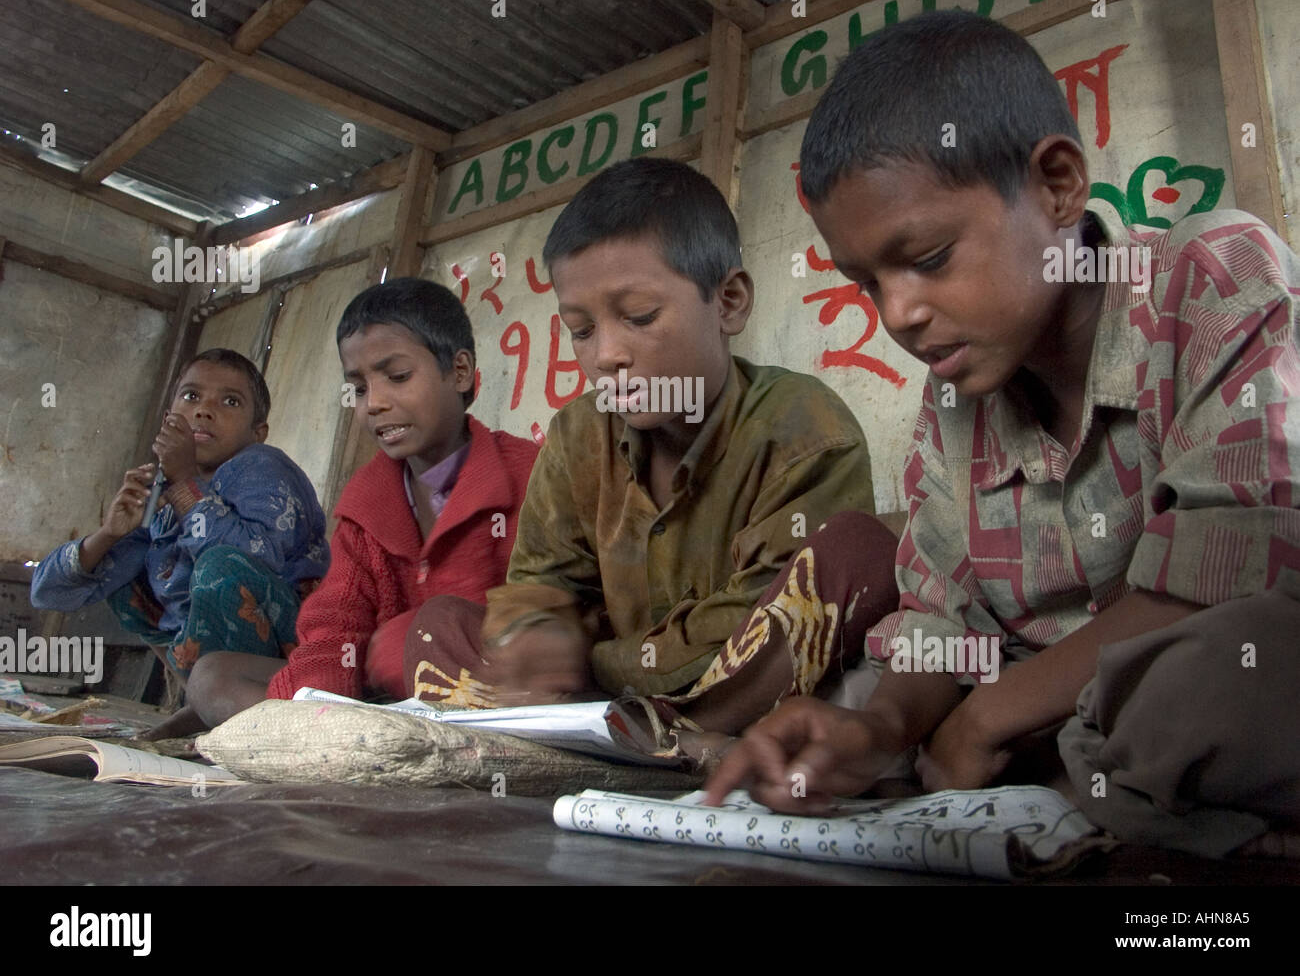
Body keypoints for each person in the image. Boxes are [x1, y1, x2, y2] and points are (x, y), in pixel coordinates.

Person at [705, 10, 1300, 855]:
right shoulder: (952, 405)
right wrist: (878, 727)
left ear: (1057, 185)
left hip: (1170, 675)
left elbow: (1225, 571)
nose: (899, 313)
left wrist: (989, 714)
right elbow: (943, 622)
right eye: (868, 282)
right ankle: (1080, 791)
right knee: (853, 693)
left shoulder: (1210, 277)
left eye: (930, 256)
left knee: (1234, 669)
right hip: (1051, 717)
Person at [414, 157, 898, 753]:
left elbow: (755, 619)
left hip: (731, 695)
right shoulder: (575, 437)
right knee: (435, 628)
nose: (607, 355)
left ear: (729, 302)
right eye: (582, 330)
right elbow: (542, 584)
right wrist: (538, 635)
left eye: (639, 317)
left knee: (857, 553)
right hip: (605, 699)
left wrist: (596, 664)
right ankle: (649, 745)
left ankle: (635, 741)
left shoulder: (805, 429)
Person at [185, 277, 538, 727]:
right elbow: (336, 626)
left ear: (461, 372)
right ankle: (334, 738)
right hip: (383, 705)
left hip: (498, 697)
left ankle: (332, 738)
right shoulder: (367, 506)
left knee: (420, 630)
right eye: (358, 388)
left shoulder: (527, 475)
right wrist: (320, 702)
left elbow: (542, 613)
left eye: (397, 377)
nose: (374, 403)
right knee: (211, 675)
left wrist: (401, 645)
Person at [31, 348, 329, 678]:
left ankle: (227, 692)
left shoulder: (262, 466)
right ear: (167, 419)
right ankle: (192, 696)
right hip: (203, 659)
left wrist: (185, 483)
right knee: (118, 576)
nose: (203, 410)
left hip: (289, 649)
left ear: (257, 433)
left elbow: (253, 562)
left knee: (219, 566)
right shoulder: (162, 492)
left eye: (230, 402)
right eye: (191, 396)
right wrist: (109, 534)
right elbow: (48, 592)